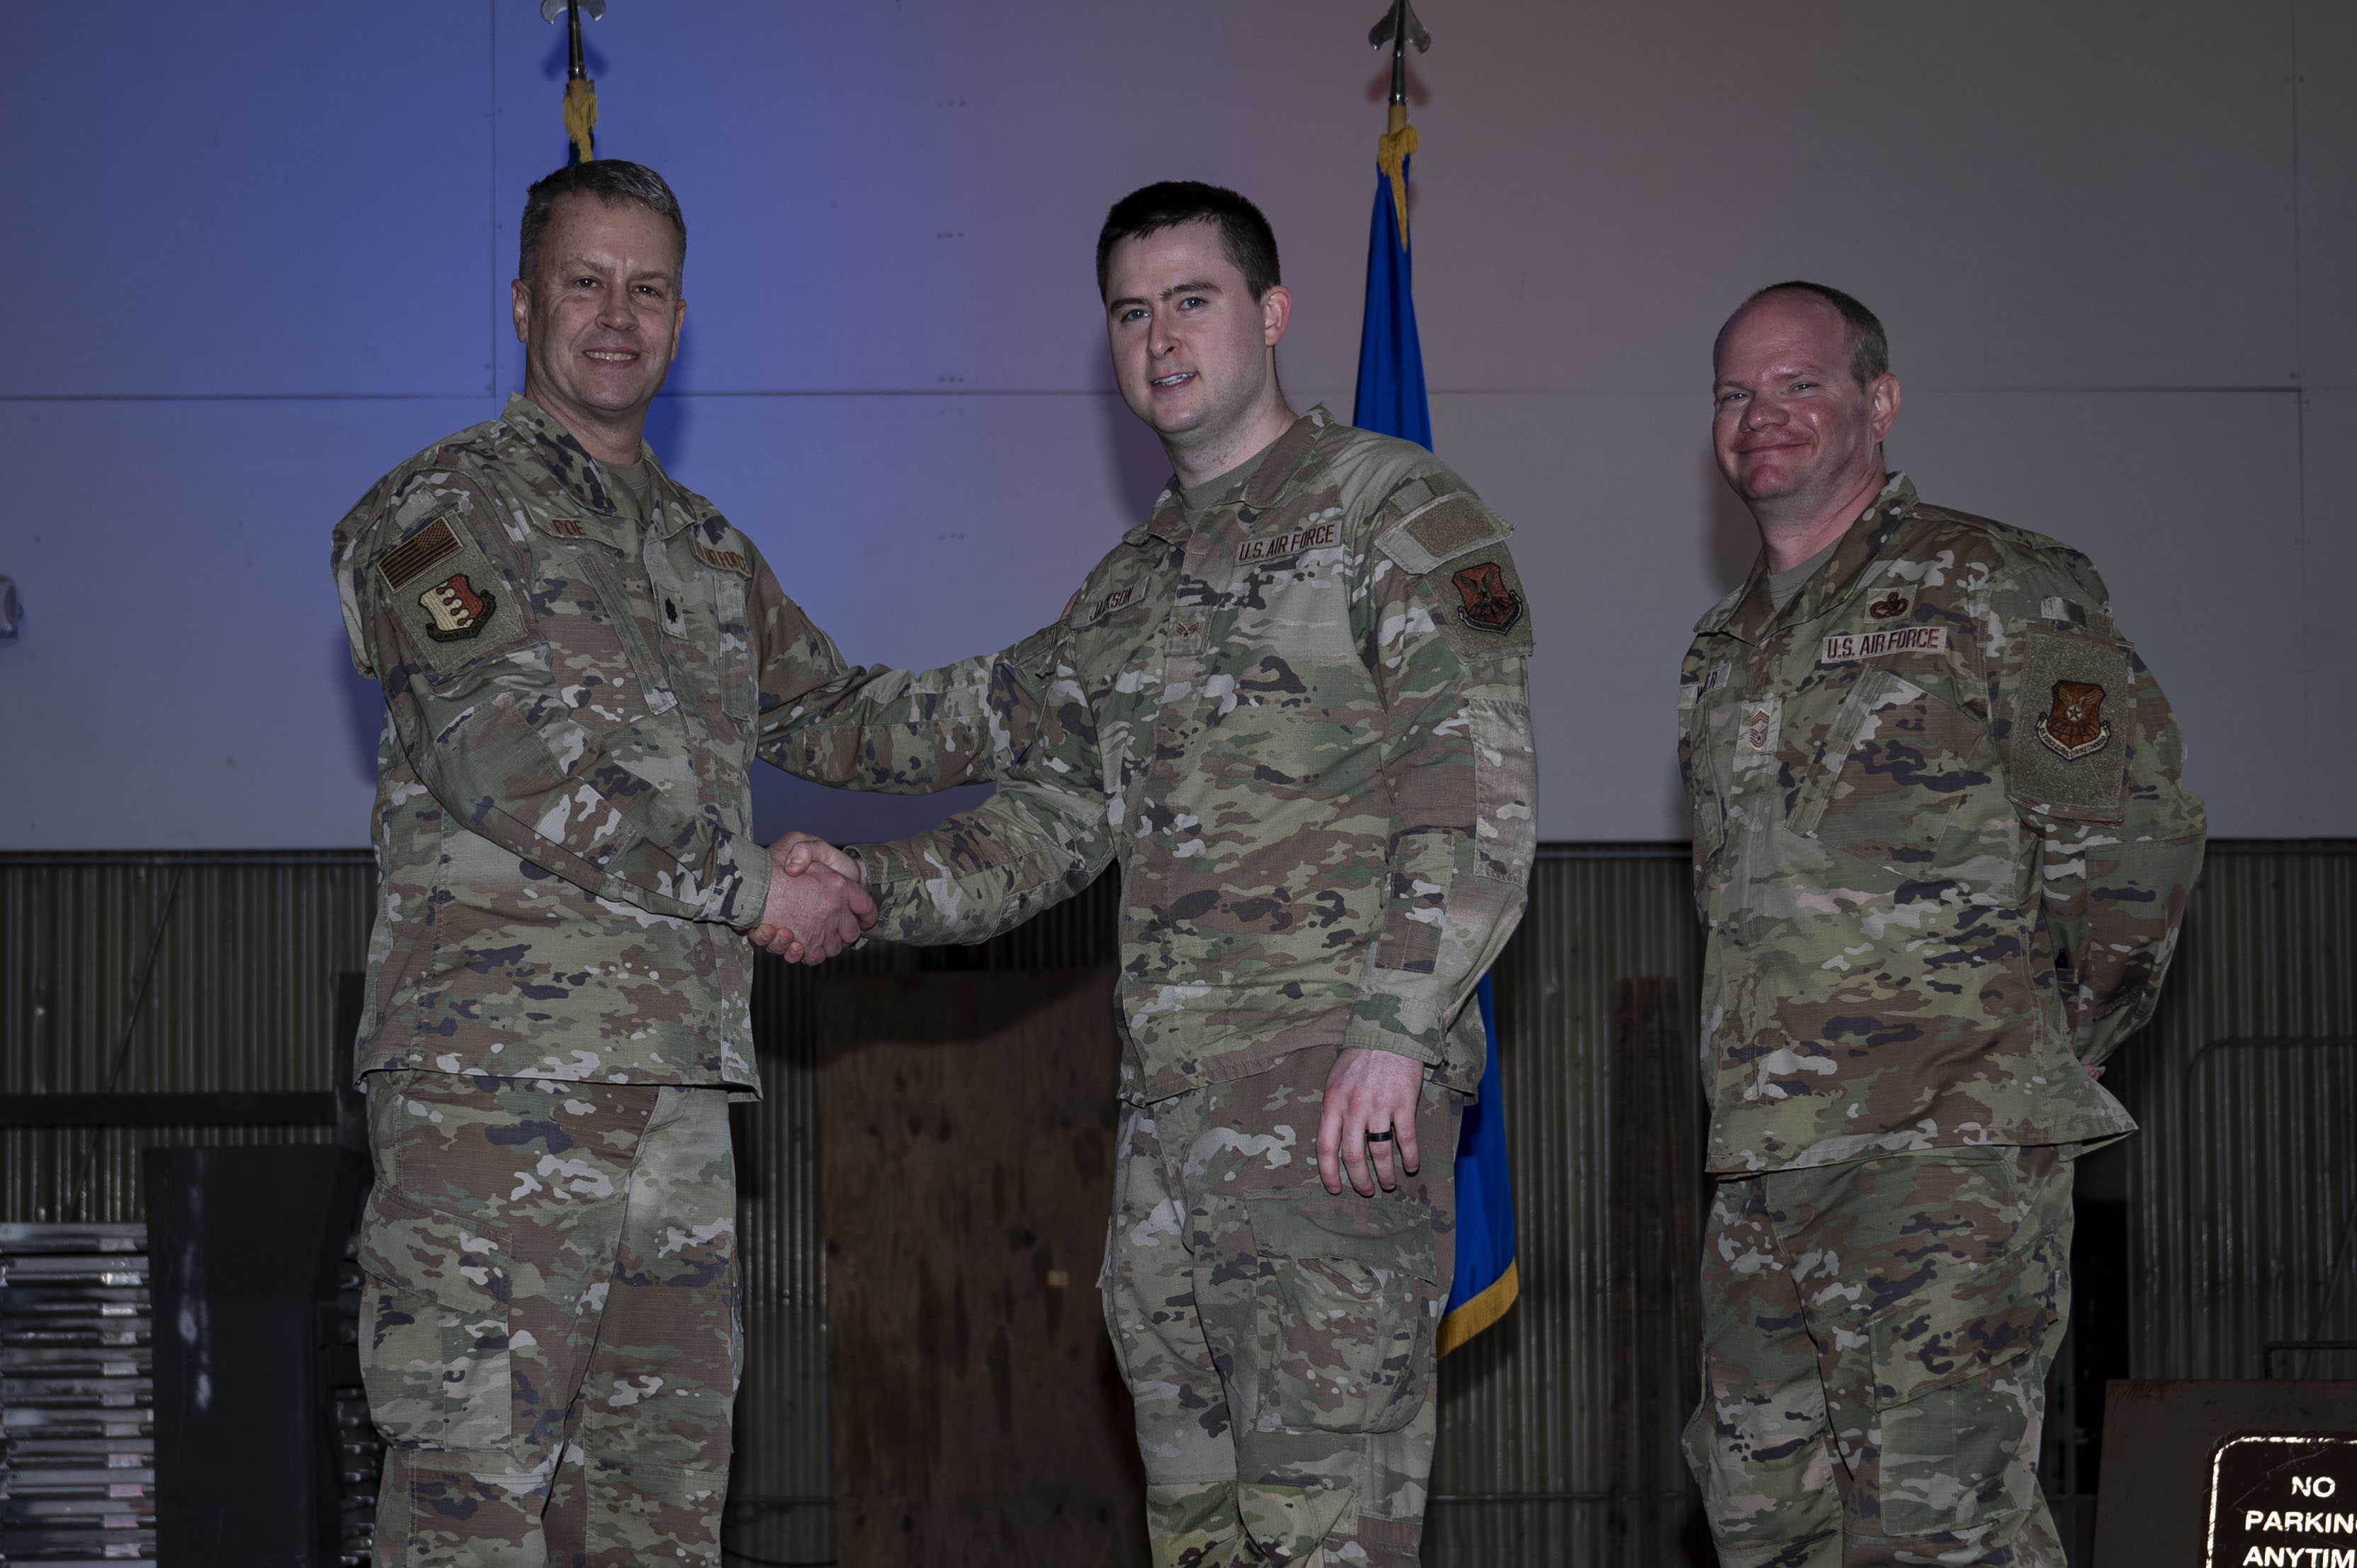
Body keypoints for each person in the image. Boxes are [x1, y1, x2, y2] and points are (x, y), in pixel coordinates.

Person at [759, 182, 1537, 1567]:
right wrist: (866, 887)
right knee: (1193, 1536)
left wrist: (1393, 1030)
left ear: (1271, 313)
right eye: (1131, 311)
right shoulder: (1129, 586)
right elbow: (1043, 817)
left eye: (1192, 299)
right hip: (1168, 1133)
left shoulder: (1388, 508)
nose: (1160, 337)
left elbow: (1471, 786)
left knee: (1321, 1534)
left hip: (1326, 1103)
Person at [329, 159, 932, 1566]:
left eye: (646, 287)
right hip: (496, 1096)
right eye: (585, 281)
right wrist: (750, 889)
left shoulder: (704, 553)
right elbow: (505, 763)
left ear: (678, 315)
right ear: (528, 297)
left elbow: (842, 715)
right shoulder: (433, 516)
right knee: (469, 1514)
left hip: (672, 1098)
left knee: (657, 1521)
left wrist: (1067, 689)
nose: (616, 314)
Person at [1676, 281, 2206, 1566]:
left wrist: (2048, 1049)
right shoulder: (1725, 645)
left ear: (1879, 403)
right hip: (1763, 1167)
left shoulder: (2001, 584)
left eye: (1802, 384)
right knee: (1764, 1523)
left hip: (1945, 1156)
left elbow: (2132, 848)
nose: (1765, 417)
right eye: (1737, 393)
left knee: (1940, 1531)